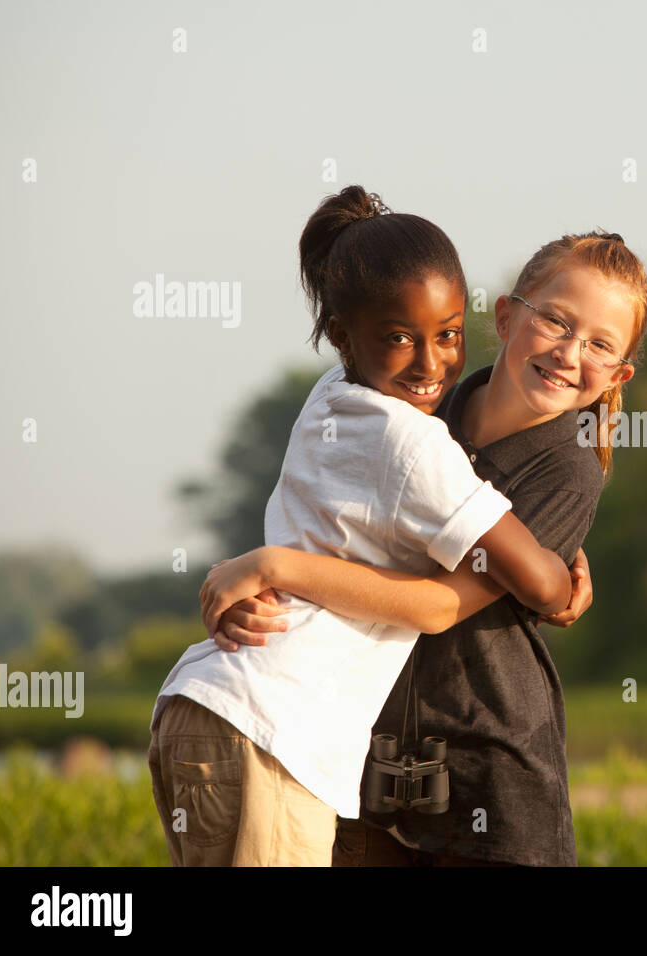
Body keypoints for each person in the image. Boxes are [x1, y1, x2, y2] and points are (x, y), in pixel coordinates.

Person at [148, 186, 577, 866]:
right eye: (399, 337)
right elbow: (533, 576)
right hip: (270, 728)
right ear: (342, 334)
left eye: (449, 336)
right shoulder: (412, 442)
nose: (431, 363)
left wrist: (270, 566)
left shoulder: (331, 397)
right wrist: (566, 585)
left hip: (215, 703)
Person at [201, 229, 647, 865]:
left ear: (619, 372)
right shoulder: (414, 409)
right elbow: (333, 540)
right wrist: (259, 597)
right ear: (504, 316)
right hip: (361, 778)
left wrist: (278, 567)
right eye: (555, 320)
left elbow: (437, 605)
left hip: (491, 788)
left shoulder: (566, 472)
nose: (569, 352)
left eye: (599, 344)